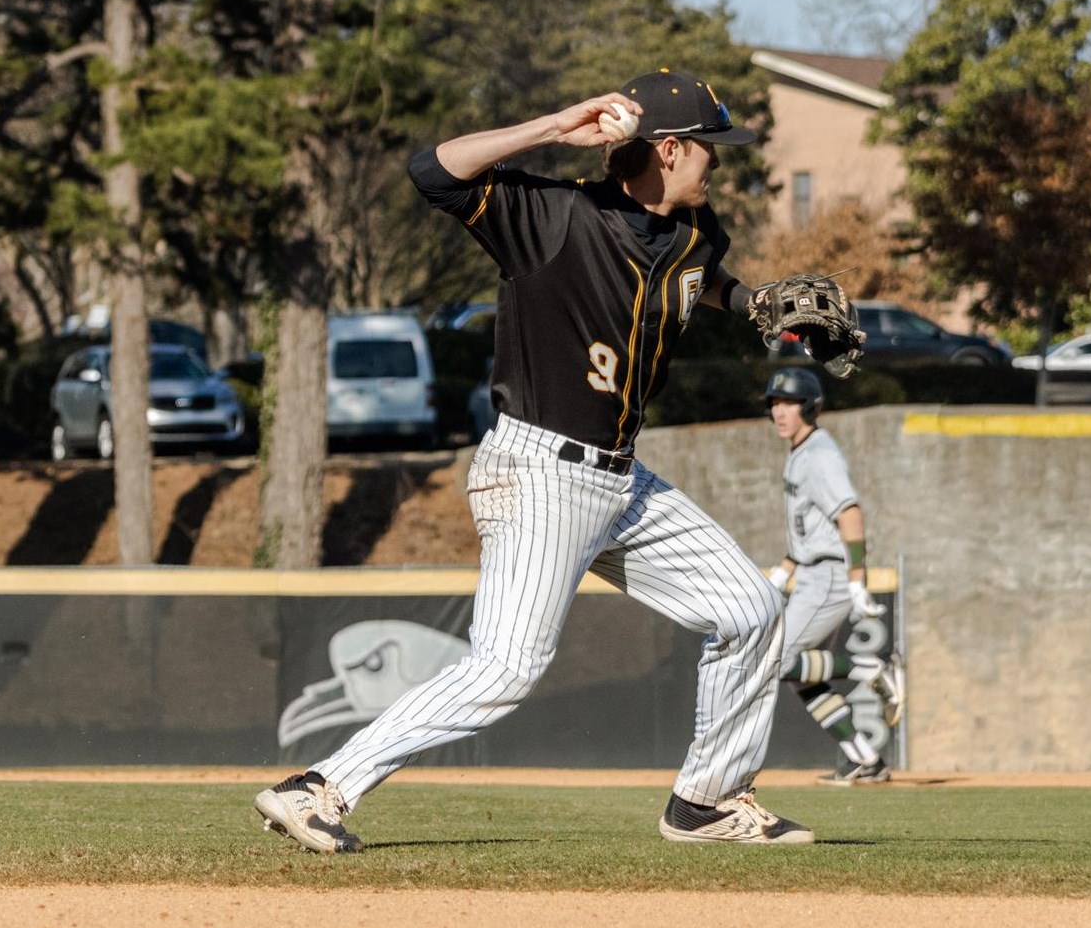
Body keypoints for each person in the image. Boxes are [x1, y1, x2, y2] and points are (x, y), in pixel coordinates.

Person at [255, 69, 824, 851]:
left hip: (622, 481)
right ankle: (320, 786)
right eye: (706, 149)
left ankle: (706, 801)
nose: (717, 162)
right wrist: (555, 126)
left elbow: (697, 279)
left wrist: (751, 302)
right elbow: (433, 172)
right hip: (538, 469)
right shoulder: (552, 217)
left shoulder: (698, 234)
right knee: (506, 669)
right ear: (665, 149)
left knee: (751, 612)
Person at [762, 367, 902, 785]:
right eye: (774, 403)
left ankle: (871, 667)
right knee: (802, 678)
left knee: (777, 660)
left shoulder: (819, 453)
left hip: (829, 576)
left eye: (788, 403)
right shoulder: (801, 451)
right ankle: (864, 758)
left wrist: (857, 578)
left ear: (808, 406)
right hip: (810, 572)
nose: (780, 411)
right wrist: (781, 573)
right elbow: (810, 530)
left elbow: (850, 513)